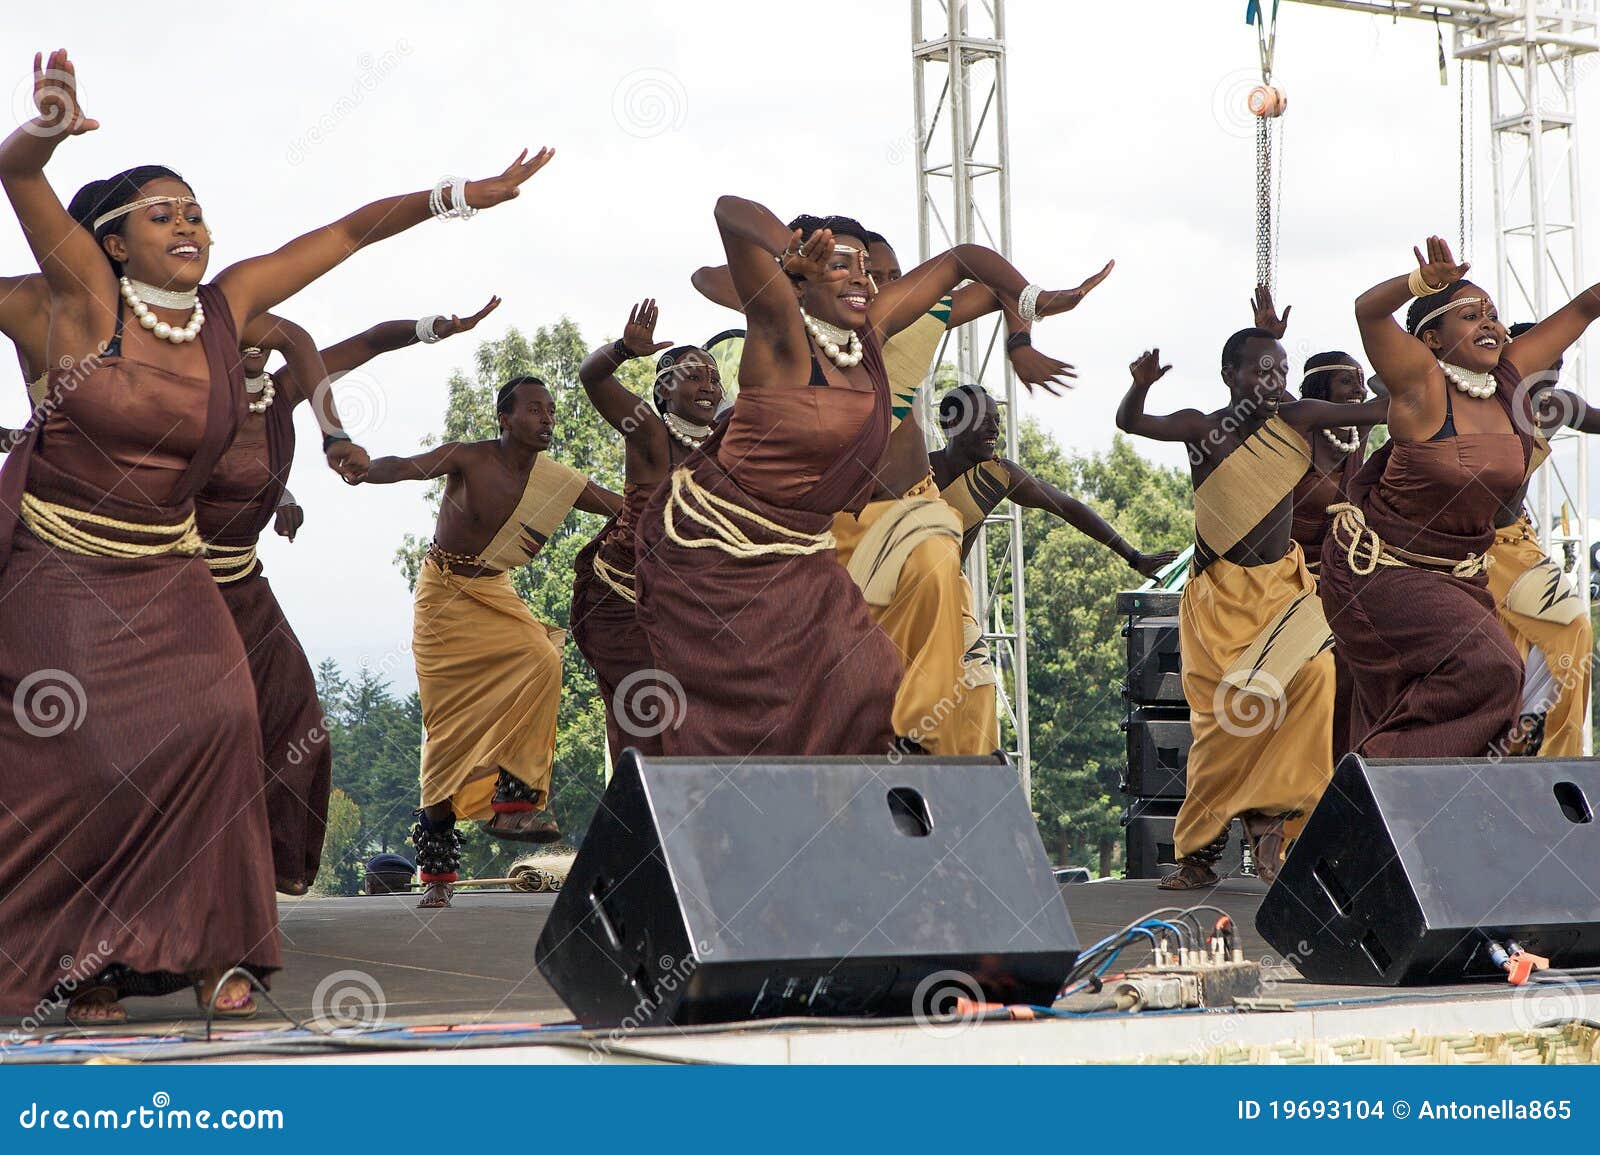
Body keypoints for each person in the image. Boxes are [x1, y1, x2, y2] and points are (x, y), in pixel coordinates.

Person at [0, 49, 548, 1021]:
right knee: (92, 761)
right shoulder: (82, 303)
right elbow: (17, 175)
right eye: (163, 212)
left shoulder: (231, 306)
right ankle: (84, 959)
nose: (190, 224)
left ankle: (219, 946)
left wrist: (463, 193)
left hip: (173, 572)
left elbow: (344, 232)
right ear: (112, 245)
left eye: (197, 209)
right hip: (63, 572)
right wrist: (43, 130)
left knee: (224, 729)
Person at [639, 200, 1069, 757]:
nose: (874, 281)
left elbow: (970, 264)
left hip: (820, 538)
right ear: (804, 276)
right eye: (849, 266)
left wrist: (1024, 329)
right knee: (767, 704)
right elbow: (722, 229)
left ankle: (927, 755)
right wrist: (787, 251)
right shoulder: (778, 326)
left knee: (876, 661)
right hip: (723, 545)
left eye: (876, 271)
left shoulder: (879, 328)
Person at [194, 300, 498, 895]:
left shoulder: (282, 393)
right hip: (178, 590)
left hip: (244, 583)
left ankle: (261, 872)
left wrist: (433, 326)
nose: (252, 344)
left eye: (263, 334)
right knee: (210, 727)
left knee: (296, 718)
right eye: (239, 337)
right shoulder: (188, 396)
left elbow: (371, 339)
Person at [1115, 328, 1387, 889]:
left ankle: (1277, 825)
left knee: (1315, 675)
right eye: (1261, 370)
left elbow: (1382, 409)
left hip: (1283, 590)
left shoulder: (1298, 422)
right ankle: (1199, 854)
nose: (1273, 381)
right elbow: (1131, 424)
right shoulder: (1202, 428)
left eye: (1281, 371)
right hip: (1219, 597)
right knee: (1223, 722)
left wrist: (1406, 366)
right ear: (1229, 375)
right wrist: (1139, 388)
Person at [1322, 237, 1600, 760]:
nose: (1490, 324)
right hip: (1381, 570)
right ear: (1430, 338)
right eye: (1471, 316)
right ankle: (1379, 792)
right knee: (1489, 666)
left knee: (1480, 680)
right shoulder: (1419, 385)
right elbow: (1367, 312)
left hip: (1460, 573)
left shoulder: (1507, 382)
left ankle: (1419, 814)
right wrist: (1420, 284)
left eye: (1493, 315)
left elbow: (1586, 306)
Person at [362, 376, 620, 908]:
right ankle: (436, 880)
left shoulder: (556, 480)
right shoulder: (469, 458)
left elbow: (623, 506)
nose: (547, 418)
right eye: (533, 409)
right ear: (504, 418)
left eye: (551, 410)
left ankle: (516, 798)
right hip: (442, 599)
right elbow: (405, 467)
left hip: (494, 594)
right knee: (448, 734)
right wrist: (363, 470)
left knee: (544, 656)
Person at [934, 383, 1178, 753]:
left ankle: (973, 777)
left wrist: (1133, 556)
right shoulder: (918, 472)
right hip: (906, 599)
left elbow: (1065, 506)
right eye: (983, 420)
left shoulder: (1000, 474)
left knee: (978, 686)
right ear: (949, 424)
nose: (994, 429)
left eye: (996, 420)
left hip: (953, 599)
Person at [570, 301, 723, 760]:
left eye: (714, 378)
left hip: (682, 604)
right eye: (694, 375)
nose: (708, 386)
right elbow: (592, 378)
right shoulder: (650, 434)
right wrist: (621, 350)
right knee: (657, 717)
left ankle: (669, 826)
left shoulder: (727, 444)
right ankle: (644, 823)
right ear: (663, 390)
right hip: (620, 601)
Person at [1481, 322, 1594, 756]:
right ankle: (1513, 741)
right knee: (1516, 646)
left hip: (1519, 545)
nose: (1553, 375)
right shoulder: (1481, 403)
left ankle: (1551, 753)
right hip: (1471, 544)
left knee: (1571, 630)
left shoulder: (1555, 405)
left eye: (1560, 365)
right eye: (1544, 363)